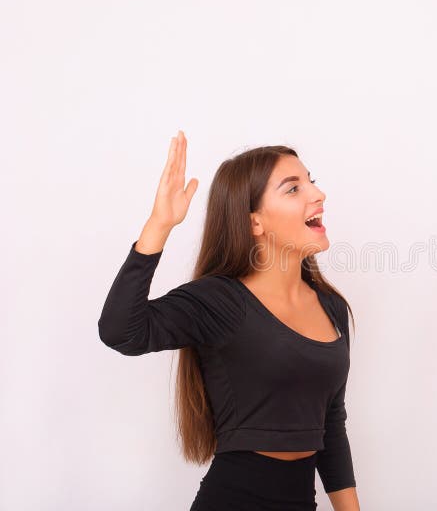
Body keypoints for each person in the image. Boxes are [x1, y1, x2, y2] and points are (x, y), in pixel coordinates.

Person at [98, 132, 360, 511]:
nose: (317, 195)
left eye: (311, 182)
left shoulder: (331, 307)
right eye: (292, 188)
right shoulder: (220, 301)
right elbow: (121, 331)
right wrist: (159, 225)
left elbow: (330, 424)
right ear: (255, 223)